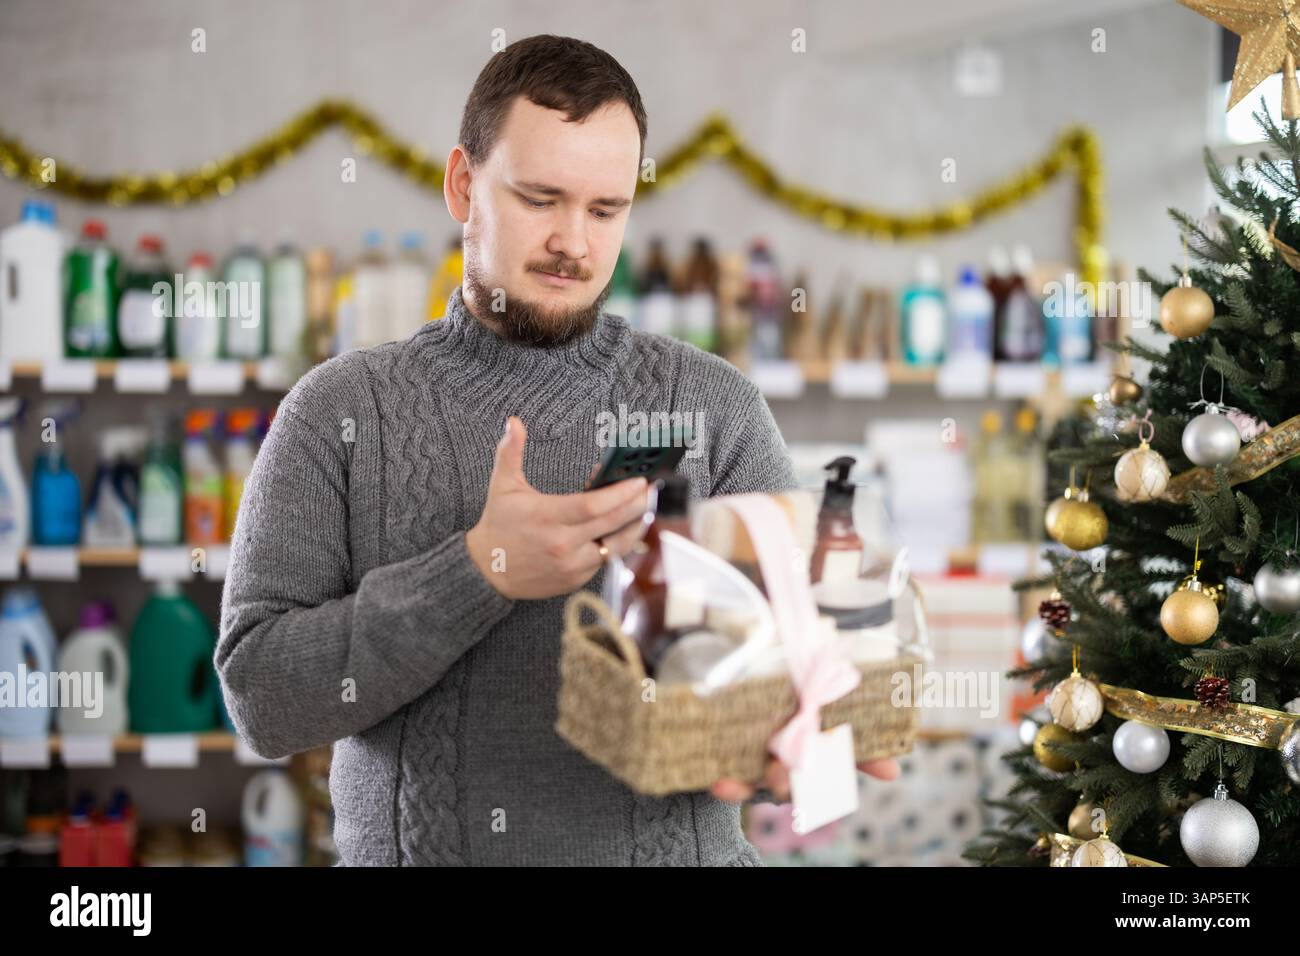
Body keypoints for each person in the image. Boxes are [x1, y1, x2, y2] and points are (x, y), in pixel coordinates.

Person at [217, 33, 895, 867]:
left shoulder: (714, 407)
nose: (575, 242)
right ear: (464, 185)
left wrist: (794, 742)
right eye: (541, 199)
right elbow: (261, 699)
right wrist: (479, 569)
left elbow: (800, 667)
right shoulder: (339, 412)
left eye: (606, 210)